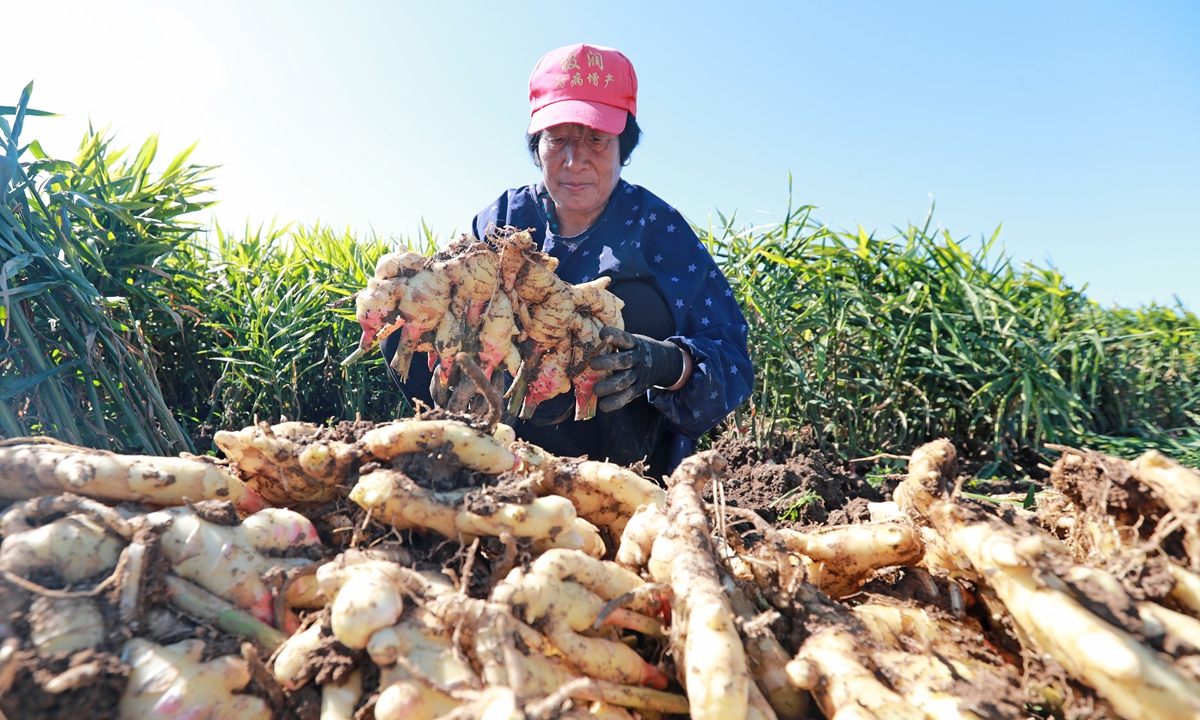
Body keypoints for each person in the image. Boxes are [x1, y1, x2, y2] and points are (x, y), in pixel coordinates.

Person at [386, 43, 754, 480]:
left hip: (623, 461)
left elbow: (731, 360)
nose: (575, 160)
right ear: (536, 145)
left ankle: (629, 480)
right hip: (504, 449)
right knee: (407, 318)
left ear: (625, 145)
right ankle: (474, 462)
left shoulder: (658, 231)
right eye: (557, 139)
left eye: (596, 139)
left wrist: (666, 363)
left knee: (631, 303)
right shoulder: (506, 219)